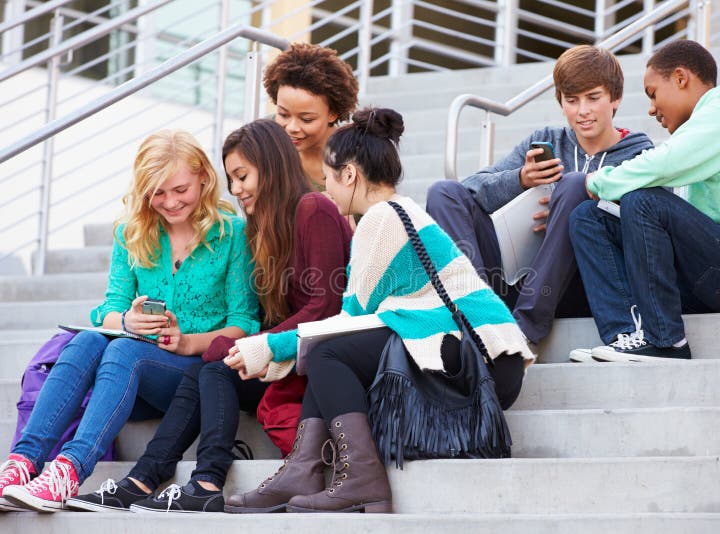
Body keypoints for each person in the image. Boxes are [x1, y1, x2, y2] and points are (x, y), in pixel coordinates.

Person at [222, 107, 535, 514]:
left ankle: (360, 480)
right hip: (488, 360)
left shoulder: (383, 219)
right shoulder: (398, 212)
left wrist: (267, 347)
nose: (325, 188)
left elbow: (345, 323)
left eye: (329, 177)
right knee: (329, 349)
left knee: (328, 351)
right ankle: (304, 468)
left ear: (349, 174)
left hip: (478, 364)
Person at [66, 119, 353, 513]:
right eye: (232, 179)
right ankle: (146, 478)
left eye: (242, 176)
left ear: (270, 166)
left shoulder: (313, 207)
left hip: (320, 355)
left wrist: (255, 343)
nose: (236, 189)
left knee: (214, 367)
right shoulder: (266, 226)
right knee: (208, 368)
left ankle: (202, 481)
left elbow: (324, 307)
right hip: (289, 351)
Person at [0, 130, 261, 512]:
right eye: (157, 193)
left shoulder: (231, 234)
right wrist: (127, 319)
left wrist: (188, 341)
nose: (170, 202)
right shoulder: (132, 232)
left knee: (123, 351)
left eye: (180, 189)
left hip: (189, 376)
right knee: (89, 341)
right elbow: (108, 308)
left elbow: (244, 323)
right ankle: (21, 465)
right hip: (124, 381)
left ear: (203, 178)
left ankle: (68, 472)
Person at [568, 40, 720, 362]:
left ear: (680, 78)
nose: (651, 108)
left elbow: (661, 164)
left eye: (653, 93)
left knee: (643, 200)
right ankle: (627, 334)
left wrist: (598, 181)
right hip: (718, 274)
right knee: (588, 218)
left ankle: (666, 341)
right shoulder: (711, 123)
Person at [426, 45, 653, 357]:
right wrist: (521, 178)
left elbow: (648, 228)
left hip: (583, 286)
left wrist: (571, 213)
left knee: (574, 187)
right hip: (521, 274)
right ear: (560, 103)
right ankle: (479, 317)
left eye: (593, 97)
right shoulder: (548, 140)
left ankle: (524, 331)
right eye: (572, 101)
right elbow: (472, 188)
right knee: (444, 192)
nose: (582, 110)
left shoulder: (639, 153)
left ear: (615, 98)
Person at [263, 42, 359, 191]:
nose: (292, 128)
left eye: (306, 119)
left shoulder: (356, 156)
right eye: (283, 114)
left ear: (332, 113)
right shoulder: (265, 135)